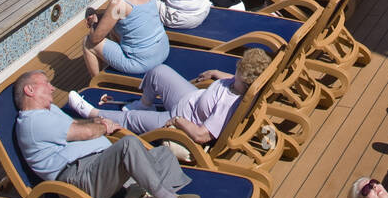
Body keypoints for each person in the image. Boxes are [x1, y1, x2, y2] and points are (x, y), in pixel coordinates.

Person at [15, 71, 204, 198]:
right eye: (46, 83)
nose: (52, 87)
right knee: (128, 145)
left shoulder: (48, 110)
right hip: (79, 182)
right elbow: (85, 133)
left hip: (98, 168)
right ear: (30, 89)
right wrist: (104, 127)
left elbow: (74, 126)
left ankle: (147, 194)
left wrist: (93, 120)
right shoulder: (33, 121)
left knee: (163, 153)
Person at [67, 48, 271, 145]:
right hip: (190, 99)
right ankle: (144, 104)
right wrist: (218, 73)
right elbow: (234, 81)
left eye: (237, 73)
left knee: (131, 119)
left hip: (180, 119)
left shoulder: (229, 105)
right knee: (159, 71)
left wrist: (179, 121)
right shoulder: (243, 86)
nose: (234, 73)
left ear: (245, 82)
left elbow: (202, 136)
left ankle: (92, 112)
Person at [81, 0, 170, 80]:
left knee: (88, 43)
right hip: (163, 49)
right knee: (115, 28)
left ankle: (98, 84)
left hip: (142, 62)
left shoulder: (119, 3)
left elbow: (95, 38)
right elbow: (129, 15)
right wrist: (102, 16)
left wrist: (93, 23)